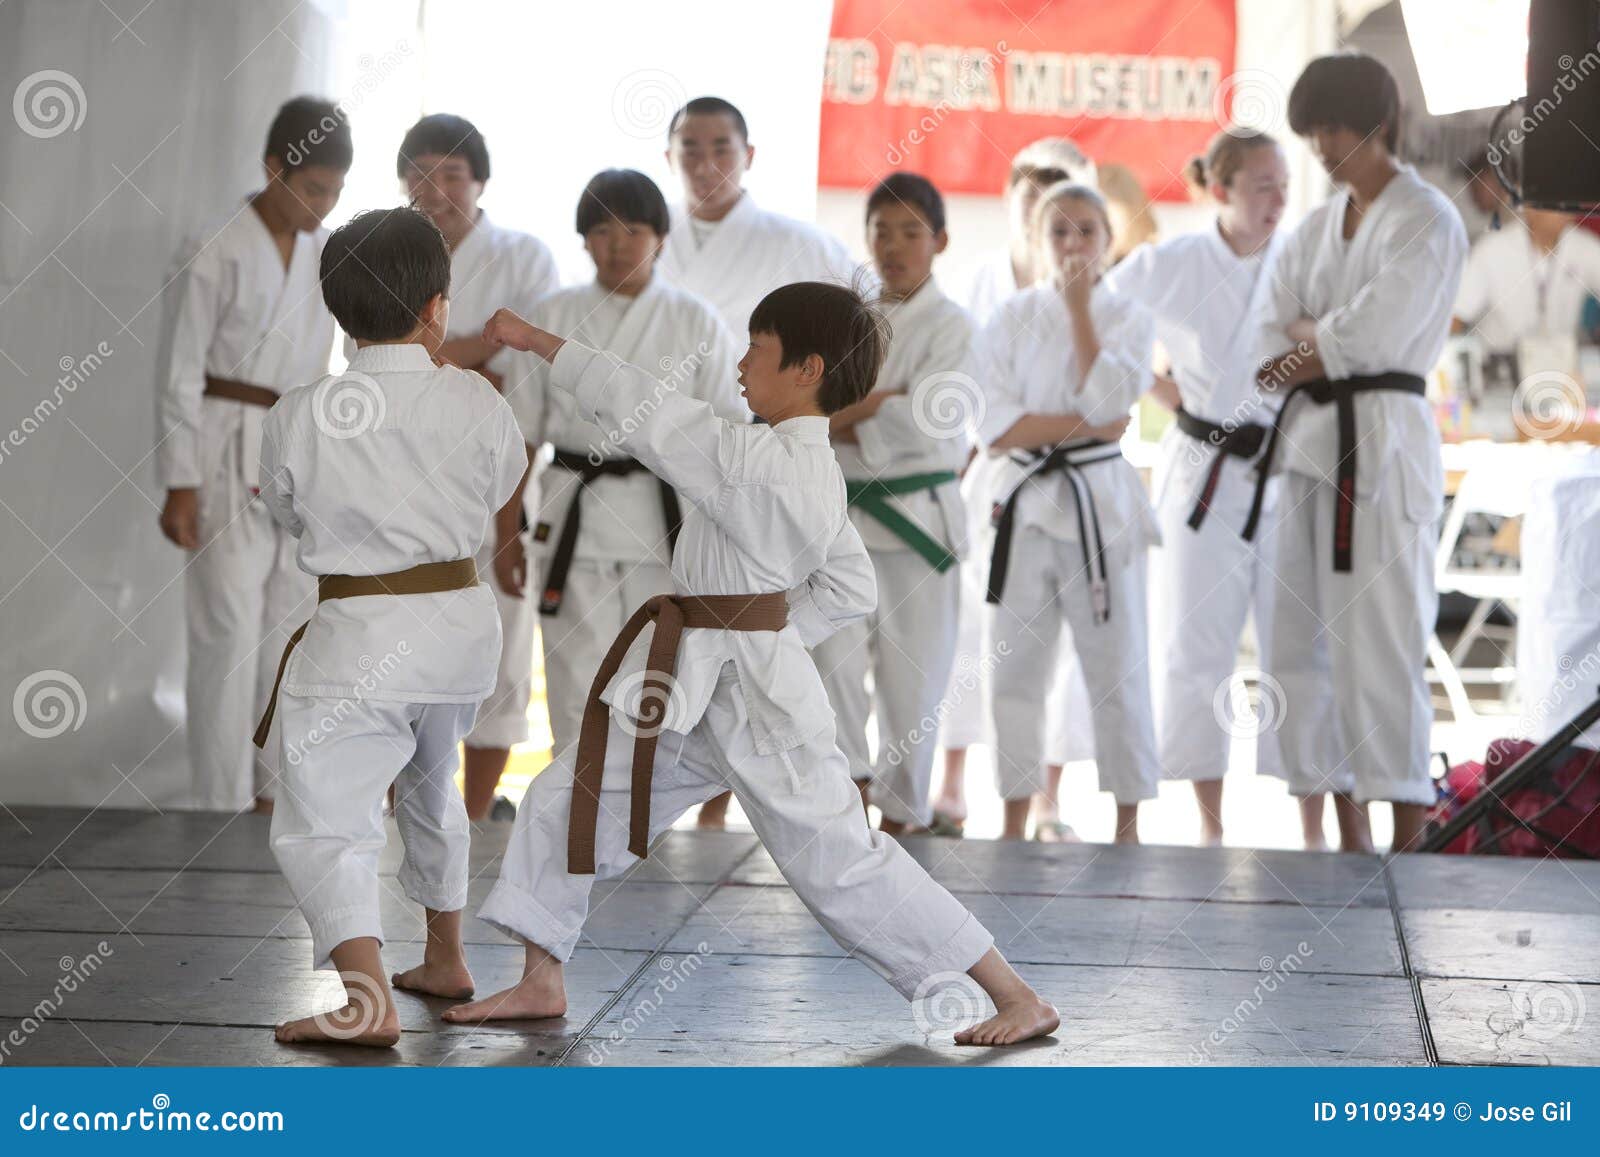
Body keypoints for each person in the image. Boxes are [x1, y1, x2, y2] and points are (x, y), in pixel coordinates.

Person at [442, 285, 1059, 1046]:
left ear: (807, 369)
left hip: (760, 704)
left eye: (756, 349)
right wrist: (768, 634)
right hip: (696, 682)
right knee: (568, 798)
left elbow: (640, 403)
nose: (739, 363)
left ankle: (1016, 994)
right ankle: (541, 977)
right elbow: (852, 586)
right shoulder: (802, 464)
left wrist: (538, 340)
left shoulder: (750, 458)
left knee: (841, 863)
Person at [260, 207, 528, 1045]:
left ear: (338, 311)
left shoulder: (300, 411)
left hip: (359, 639)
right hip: (458, 633)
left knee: (324, 817)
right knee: (430, 783)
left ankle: (366, 998)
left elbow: (285, 512)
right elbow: (503, 486)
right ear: (437, 307)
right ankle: (445, 956)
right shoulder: (477, 398)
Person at [1256, 52, 1467, 853]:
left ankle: (1407, 831)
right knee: (1295, 642)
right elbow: (1265, 351)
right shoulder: (1313, 229)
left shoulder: (1427, 218)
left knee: (1380, 641)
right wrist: (1322, 341)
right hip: (1307, 446)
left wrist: (1316, 336)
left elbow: (1373, 337)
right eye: (1312, 130)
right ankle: (1344, 835)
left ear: (1377, 124)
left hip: (1381, 446)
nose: (1320, 145)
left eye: (1333, 128)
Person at [656, 94, 859, 830]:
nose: (705, 161)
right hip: (671, 454)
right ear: (670, 156)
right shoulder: (650, 240)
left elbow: (850, 348)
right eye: (690, 147)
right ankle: (672, 793)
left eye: (721, 146)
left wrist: (807, 427)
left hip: (764, 453)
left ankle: (735, 804)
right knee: (689, 620)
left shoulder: (801, 244)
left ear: (749, 155)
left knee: (754, 617)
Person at [499, 168, 743, 758]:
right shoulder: (550, 315)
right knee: (573, 685)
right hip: (573, 518)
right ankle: (575, 805)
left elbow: (727, 436)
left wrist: (731, 538)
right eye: (602, 231)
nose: (617, 245)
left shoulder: (696, 321)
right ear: (584, 240)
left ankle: (642, 808)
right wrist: (505, 532)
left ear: (660, 238)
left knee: (657, 687)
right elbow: (519, 437)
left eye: (633, 231)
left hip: (666, 526)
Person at [155, 96, 351, 814]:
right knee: (226, 630)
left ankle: (275, 790)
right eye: (312, 189)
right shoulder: (212, 246)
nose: (321, 206)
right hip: (221, 443)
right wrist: (180, 480)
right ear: (274, 168)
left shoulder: (325, 254)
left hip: (295, 446)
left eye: (333, 192)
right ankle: (218, 798)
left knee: (289, 624)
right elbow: (178, 370)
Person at [1104, 128, 1289, 847]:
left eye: (1283, 185)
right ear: (1220, 189)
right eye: (1262, 185)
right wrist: (1157, 387)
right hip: (1203, 460)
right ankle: (1210, 823)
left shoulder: (1297, 258)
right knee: (1195, 642)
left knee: (1296, 642)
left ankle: (1311, 815)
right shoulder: (1173, 261)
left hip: (1283, 466)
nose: (1277, 200)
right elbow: (1102, 314)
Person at [977, 182, 1159, 843]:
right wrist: (1085, 424)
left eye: (1087, 230)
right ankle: (1015, 815)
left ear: (1110, 241)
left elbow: (1112, 409)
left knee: (1117, 663)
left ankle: (1128, 821)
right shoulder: (1009, 315)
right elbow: (996, 427)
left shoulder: (1129, 315)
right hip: (1026, 502)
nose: (1073, 244)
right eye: (1059, 231)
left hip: (1099, 505)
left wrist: (1081, 312)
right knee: (1014, 667)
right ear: (1037, 240)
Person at [397, 113, 560, 820]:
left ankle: (475, 805)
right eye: (418, 173)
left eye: (451, 174)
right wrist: (477, 354)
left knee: (501, 636)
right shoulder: (389, 250)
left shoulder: (525, 256)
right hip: (405, 469)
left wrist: (430, 354)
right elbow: (367, 353)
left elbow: (527, 364)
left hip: (503, 470)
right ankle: (408, 801)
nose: (434, 189)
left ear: (481, 181)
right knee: (403, 634)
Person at [937, 137, 1099, 840]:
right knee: (970, 633)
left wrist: (1044, 427)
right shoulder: (979, 283)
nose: (1043, 207)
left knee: (1059, 647)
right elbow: (964, 392)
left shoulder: (1095, 289)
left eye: (1059, 192)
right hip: (987, 477)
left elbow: (1107, 401)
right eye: (1031, 192)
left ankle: (1046, 799)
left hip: (1072, 482)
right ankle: (951, 782)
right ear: (1010, 201)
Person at [813, 173, 973, 834]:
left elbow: (930, 419)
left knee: (914, 678)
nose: (895, 246)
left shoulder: (954, 324)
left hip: (916, 521)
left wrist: (847, 412)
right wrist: (876, 403)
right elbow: (808, 404)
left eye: (911, 232)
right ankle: (844, 798)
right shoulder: (843, 319)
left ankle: (904, 813)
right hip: (838, 517)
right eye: (882, 231)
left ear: (940, 241)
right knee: (832, 664)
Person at [1453, 204, 1600, 358]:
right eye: (1556, 202)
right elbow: (1456, 315)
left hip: (1562, 363)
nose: (1566, 212)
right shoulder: (1490, 249)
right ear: (1530, 208)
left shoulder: (1584, 246)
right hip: (1499, 362)